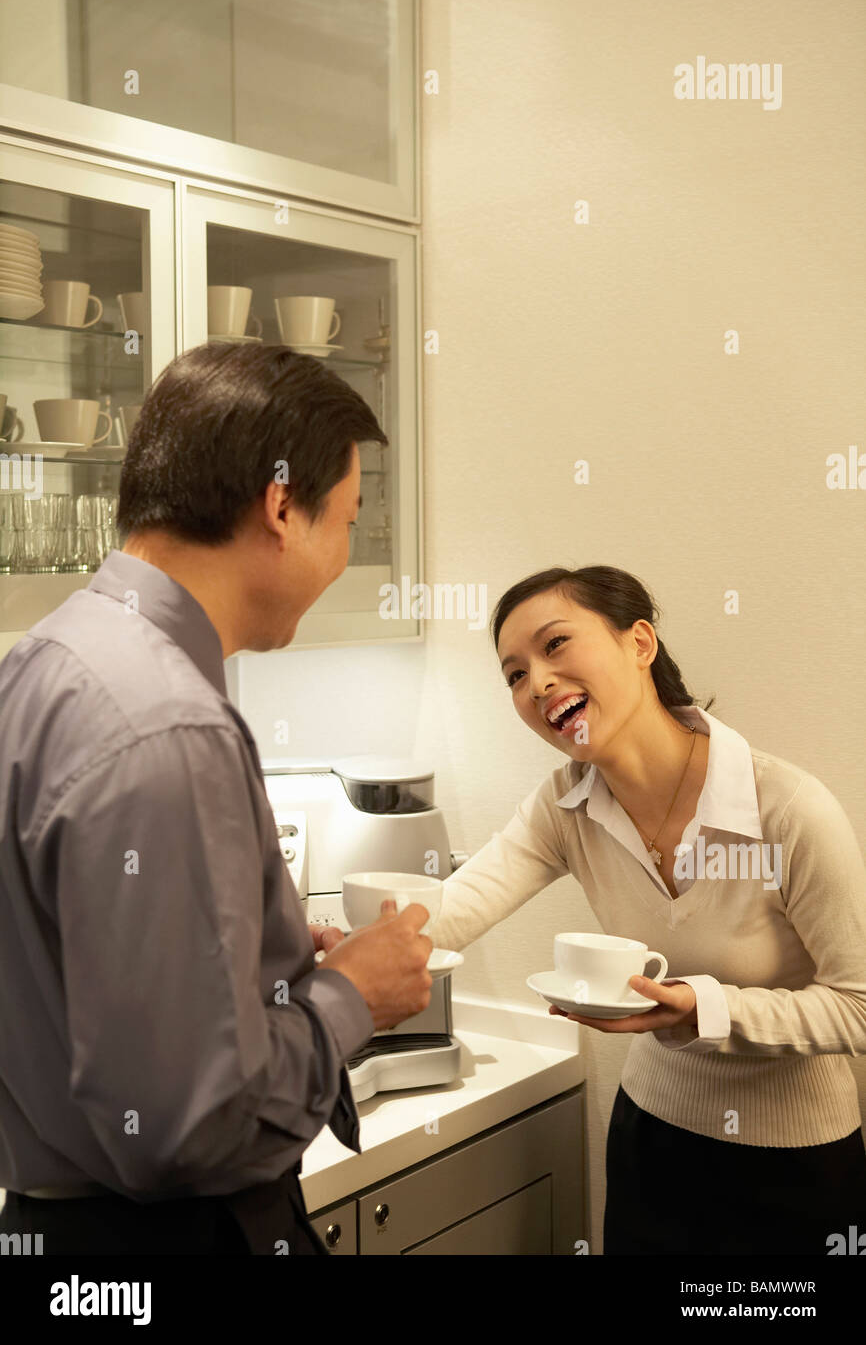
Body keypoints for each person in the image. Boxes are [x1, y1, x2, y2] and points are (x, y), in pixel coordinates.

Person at [0, 342, 433, 1255]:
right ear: (282, 508)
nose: (346, 558)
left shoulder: (41, 662)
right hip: (170, 1236)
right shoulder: (171, 726)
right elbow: (188, 1121)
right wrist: (356, 991)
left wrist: (258, 961)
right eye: (348, 519)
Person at [428, 565, 866, 1255]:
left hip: (796, 1164)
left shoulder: (787, 808)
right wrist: (347, 940)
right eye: (513, 674)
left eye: (555, 645)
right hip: (651, 1141)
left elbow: (857, 1004)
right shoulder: (565, 806)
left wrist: (705, 1008)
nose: (537, 682)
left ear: (640, 643)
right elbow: (456, 908)